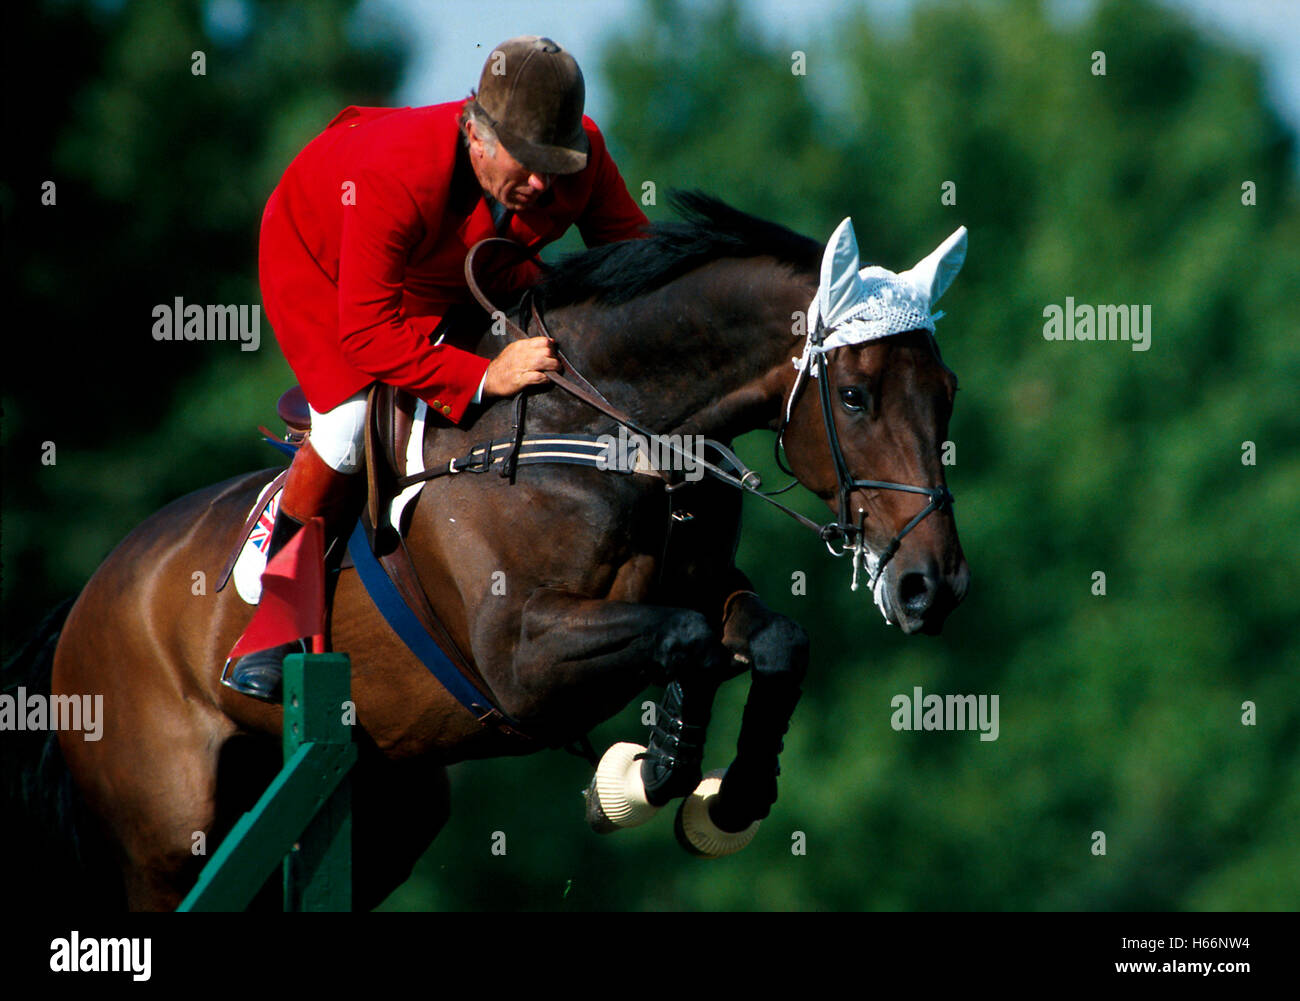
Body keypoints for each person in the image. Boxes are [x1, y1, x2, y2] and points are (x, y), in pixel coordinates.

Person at [225, 36, 649, 701]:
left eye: (556, 164)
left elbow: (639, 271)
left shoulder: (581, 161)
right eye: (528, 163)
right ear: (478, 136)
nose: (543, 184)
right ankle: (275, 613)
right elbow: (367, 332)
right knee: (348, 421)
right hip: (320, 257)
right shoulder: (396, 170)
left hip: (455, 263)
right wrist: (485, 378)